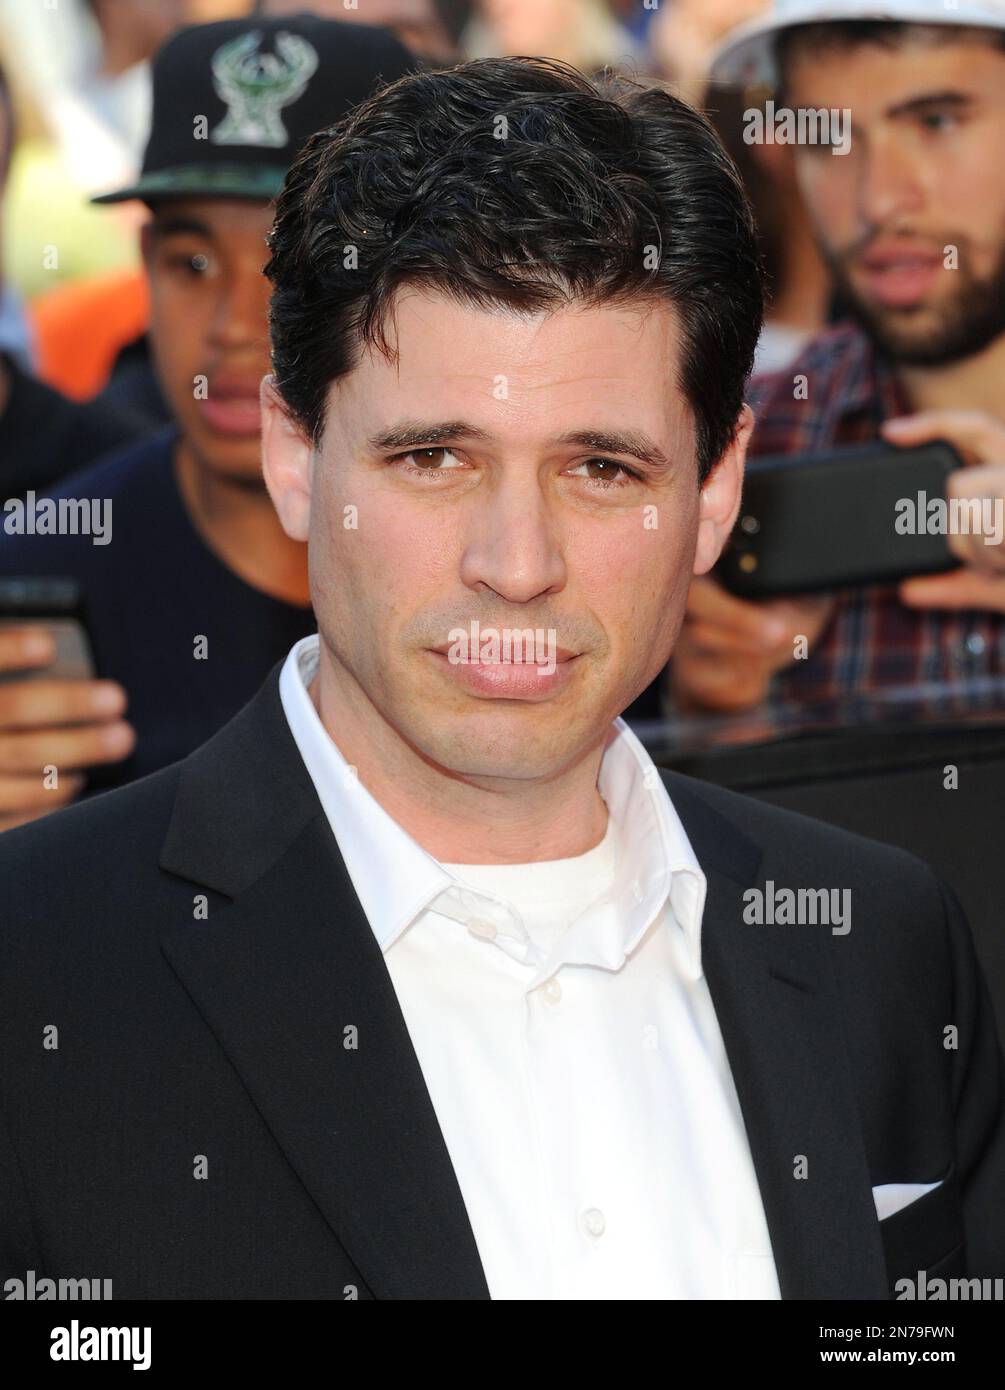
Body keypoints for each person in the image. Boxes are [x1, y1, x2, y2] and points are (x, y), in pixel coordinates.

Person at [1, 54, 1002, 1301]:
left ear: (717, 491)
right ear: (298, 456)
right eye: (434, 458)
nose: (516, 565)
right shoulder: (36, 964)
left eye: (604, 470)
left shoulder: (882, 940)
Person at [0, 15, 419, 831]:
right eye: (191, 264)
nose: (233, 322)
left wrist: (707, 707)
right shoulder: (38, 572)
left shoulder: (507, 558)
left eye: (291, 267)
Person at [672, 1, 1005, 726]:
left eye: (936, 122)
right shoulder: (742, 443)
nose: (879, 199)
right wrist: (712, 715)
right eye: (827, 139)